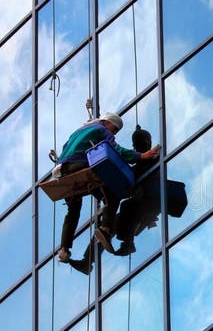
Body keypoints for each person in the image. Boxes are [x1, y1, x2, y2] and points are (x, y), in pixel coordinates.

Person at [55, 113, 159, 264]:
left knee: (73, 210)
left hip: (62, 172)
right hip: (79, 165)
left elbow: (65, 149)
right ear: (107, 122)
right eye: (115, 129)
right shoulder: (101, 129)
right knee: (113, 193)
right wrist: (141, 156)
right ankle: (105, 229)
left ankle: (64, 250)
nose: (114, 133)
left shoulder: (77, 132)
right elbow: (115, 149)